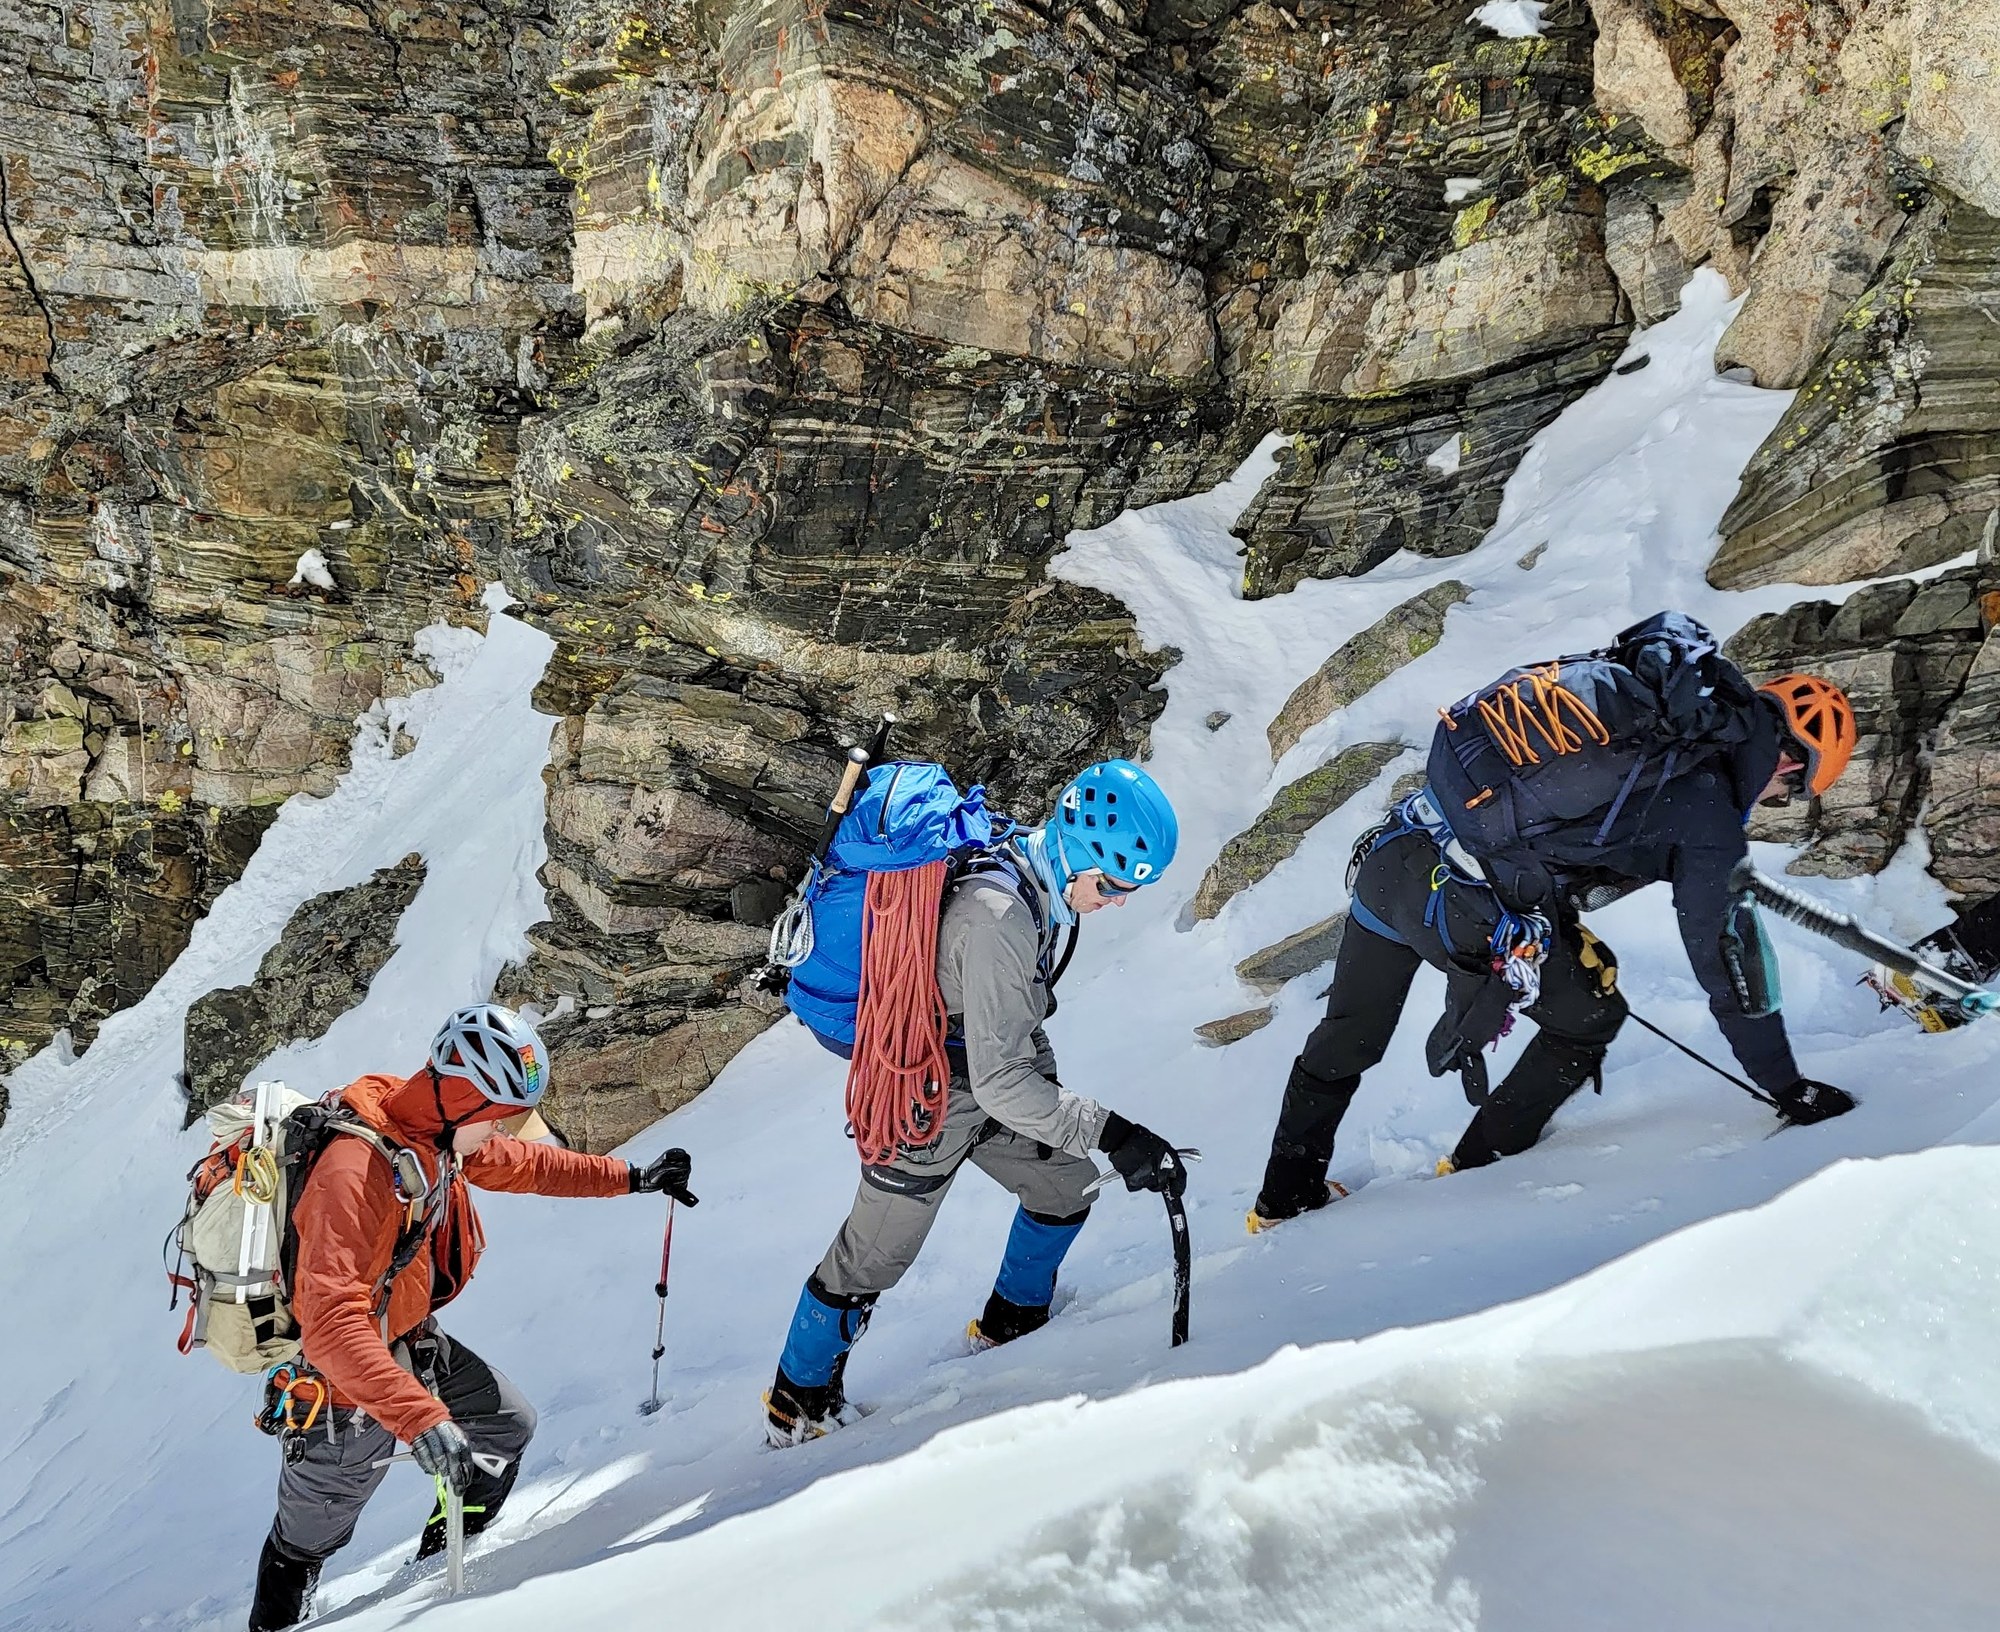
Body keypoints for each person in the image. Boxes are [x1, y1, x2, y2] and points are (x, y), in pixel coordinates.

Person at [1250, 658, 1862, 1229]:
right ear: (1787, 762)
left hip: (1399, 853)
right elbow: (1728, 964)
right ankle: (1478, 1168)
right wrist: (1786, 1087)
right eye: (1796, 790)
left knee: (1349, 1032)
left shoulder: (1648, 720)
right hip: (1469, 902)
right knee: (1590, 1017)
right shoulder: (1707, 814)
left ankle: (1283, 1196)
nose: (1780, 800)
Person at [764, 759, 1191, 1445]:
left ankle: (1014, 1324)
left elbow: (1005, 1060)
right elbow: (1004, 1086)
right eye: (1112, 884)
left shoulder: (1029, 868)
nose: (1117, 902)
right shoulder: (1000, 919)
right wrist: (1115, 1133)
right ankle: (797, 1400)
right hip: (925, 1090)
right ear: (1079, 854)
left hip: (982, 1067)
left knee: (1063, 1185)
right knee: (874, 1256)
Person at [248, 1004, 695, 1632]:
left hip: (409, 1342)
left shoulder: (429, 1131)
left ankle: (425, 1580)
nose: (507, 1131)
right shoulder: (355, 1172)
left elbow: (525, 1164)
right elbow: (328, 1324)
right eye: (499, 1117)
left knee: (505, 1426)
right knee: (303, 1545)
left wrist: (631, 1177)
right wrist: (420, 1417)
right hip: (343, 1389)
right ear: (462, 1101)